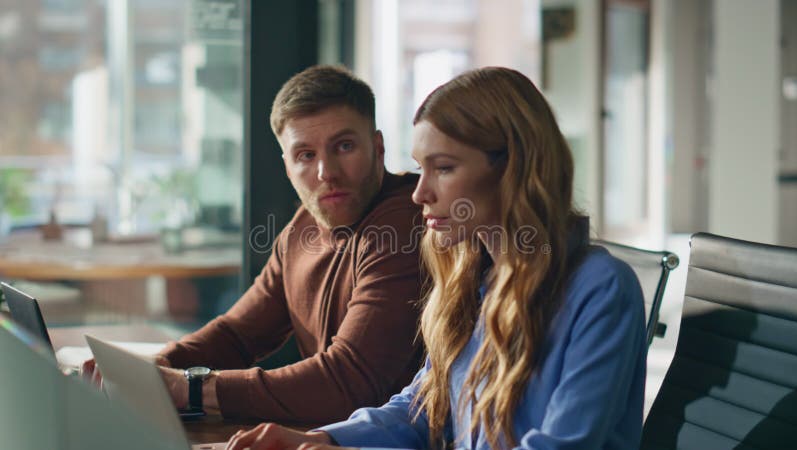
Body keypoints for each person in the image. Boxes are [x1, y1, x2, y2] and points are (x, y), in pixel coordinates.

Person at [224, 66, 647, 450]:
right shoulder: (475, 278)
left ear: (512, 168)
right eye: (420, 168)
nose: (419, 193)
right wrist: (319, 440)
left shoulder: (601, 287)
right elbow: (423, 408)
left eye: (443, 168)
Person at [82, 65, 425, 423]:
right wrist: (159, 366)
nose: (326, 172)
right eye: (305, 155)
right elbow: (237, 334)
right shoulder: (302, 229)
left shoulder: (407, 223)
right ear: (287, 167)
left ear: (378, 147)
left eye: (344, 146)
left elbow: (347, 383)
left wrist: (187, 387)